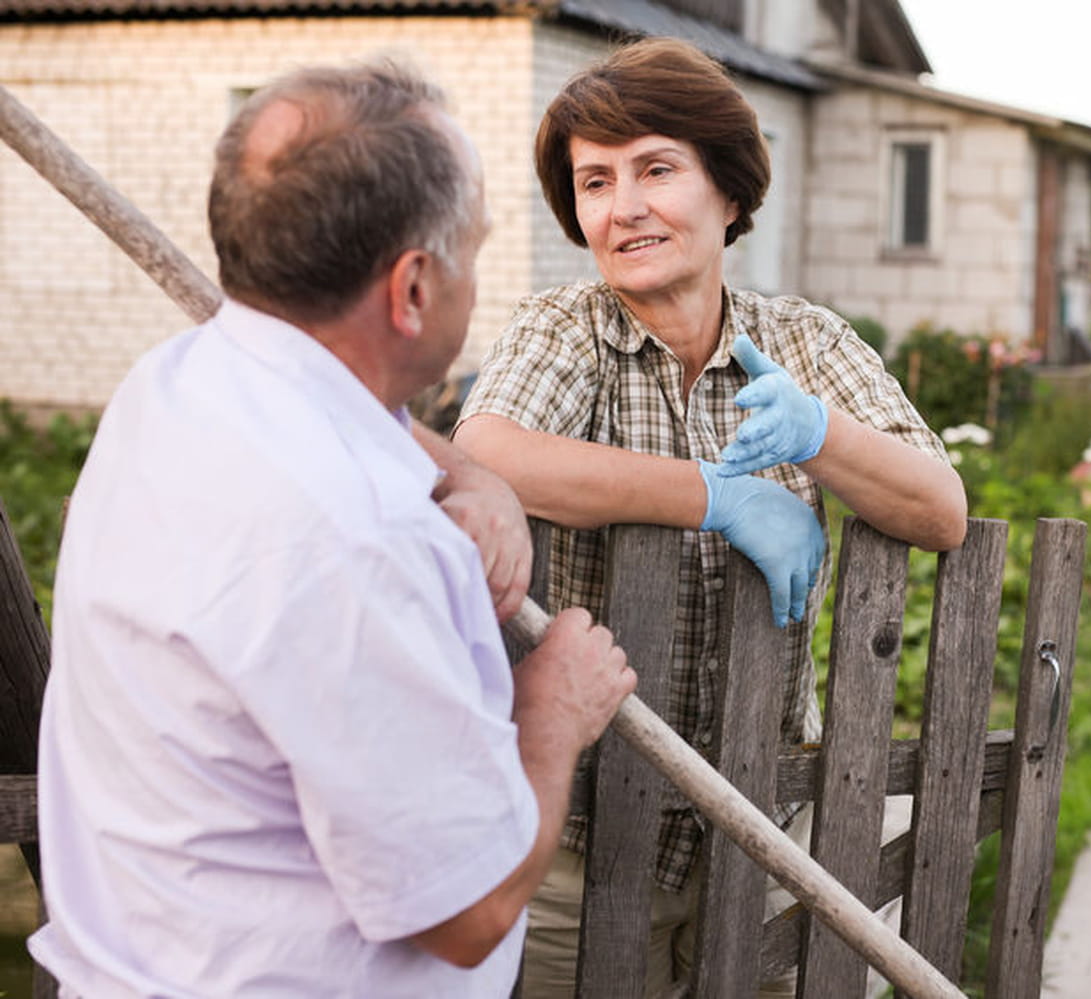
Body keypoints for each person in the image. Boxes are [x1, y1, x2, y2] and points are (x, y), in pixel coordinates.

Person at [28, 60, 636, 997]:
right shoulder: (356, 543)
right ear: (414, 291)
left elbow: (357, 417)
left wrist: (469, 468)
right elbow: (465, 914)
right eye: (471, 249)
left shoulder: (173, 385)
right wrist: (551, 715)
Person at [451, 36, 968, 996]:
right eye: (595, 182)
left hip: (771, 817)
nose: (626, 207)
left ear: (728, 192)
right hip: (583, 828)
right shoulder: (569, 330)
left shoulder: (803, 341)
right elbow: (486, 454)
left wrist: (818, 434)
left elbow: (939, 508)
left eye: (657, 169)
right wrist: (716, 493)